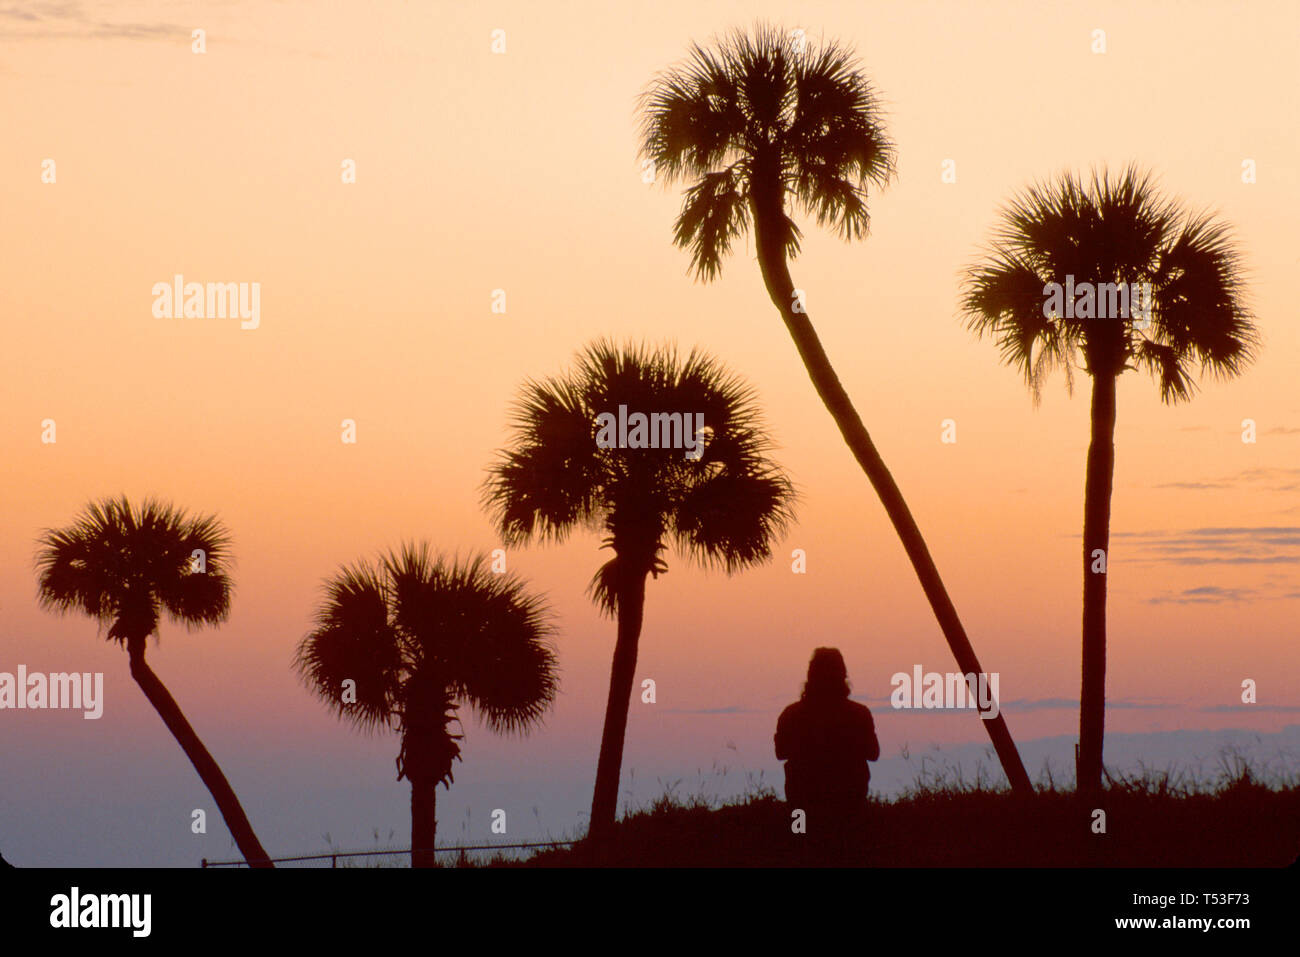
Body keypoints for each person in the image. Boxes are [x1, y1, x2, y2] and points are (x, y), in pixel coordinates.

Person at [775, 648, 880, 825]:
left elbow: (781, 752)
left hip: (801, 809)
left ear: (810, 675)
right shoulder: (859, 714)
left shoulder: (791, 714)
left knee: (799, 842)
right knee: (848, 847)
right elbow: (873, 753)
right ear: (842, 676)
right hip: (849, 809)